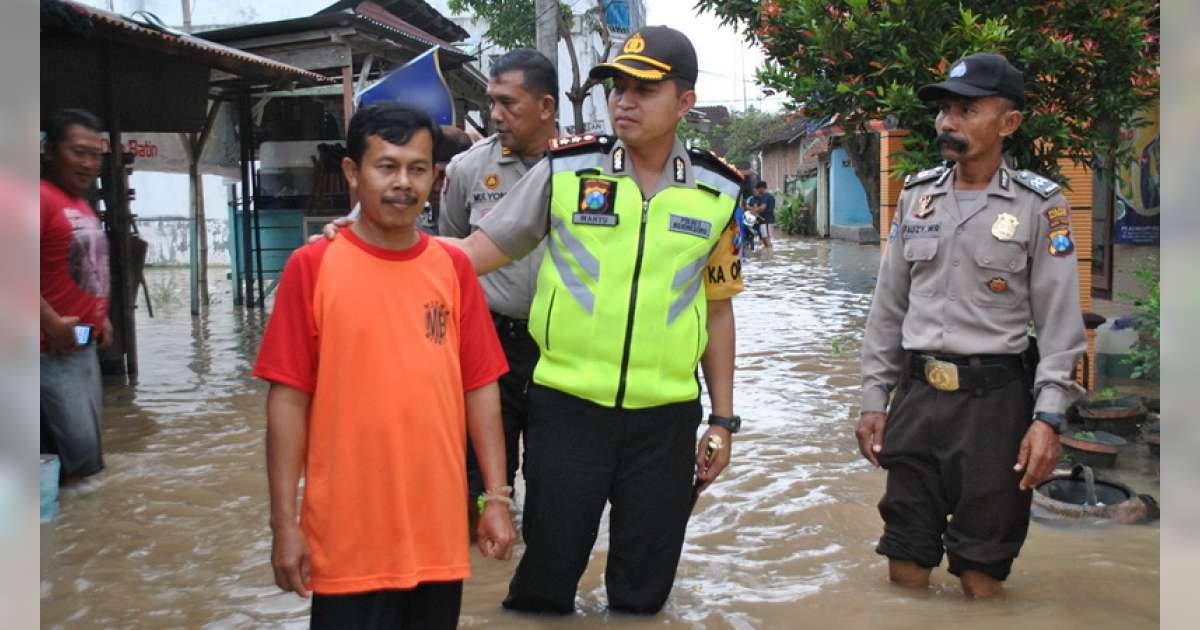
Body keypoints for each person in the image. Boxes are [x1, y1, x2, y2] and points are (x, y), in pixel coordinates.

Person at [447, 26, 746, 615]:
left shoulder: (718, 191)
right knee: (543, 584)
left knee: (643, 594)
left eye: (644, 89)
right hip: (567, 411)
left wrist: (724, 421)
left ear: (684, 102)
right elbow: (477, 251)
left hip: (664, 422)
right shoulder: (568, 170)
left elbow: (717, 307)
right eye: (617, 88)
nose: (624, 101)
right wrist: (381, 245)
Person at [254, 103, 517, 629]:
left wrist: (497, 498)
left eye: (417, 168)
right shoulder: (313, 266)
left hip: (437, 530)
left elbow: (480, 386)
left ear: (436, 178)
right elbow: (287, 401)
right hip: (346, 536)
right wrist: (285, 524)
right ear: (353, 173)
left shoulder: (452, 268)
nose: (403, 183)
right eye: (386, 166)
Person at [856, 53, 1087, 598]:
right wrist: (873, 399)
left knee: (982, 572)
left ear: (1008, 123)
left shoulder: (1040, 207)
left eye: (966, 109)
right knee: (905, 560)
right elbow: (887, 309)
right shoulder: (917, 197)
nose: (947, 122)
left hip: (995, 409)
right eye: (944, 110)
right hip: (916, 400)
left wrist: (1048, 419)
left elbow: (1059, 324)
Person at [439, 48, 559, 528]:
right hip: (489, 343)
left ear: (547, 106)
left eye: (508, 103)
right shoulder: (467, 170)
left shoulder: (585, 170)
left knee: (556, 478)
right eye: (492, 102)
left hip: (562, 349)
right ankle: (486, 583)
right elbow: (447, 254)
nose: (495, 114)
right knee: (483, 483)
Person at [40, 108, 112, 481]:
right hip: (45, 348)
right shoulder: (37, 197)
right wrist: (50, 323)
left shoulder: (81, 204)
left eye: (95, 154)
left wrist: (103, 319)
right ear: (50, 151)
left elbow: (88, 268)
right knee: (78, 459)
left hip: (82, 341)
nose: (88, 163)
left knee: (89, 450)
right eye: (78, 152)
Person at [746, 180, 776, 247]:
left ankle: (770, 255)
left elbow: (762, 208)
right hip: (764, 221)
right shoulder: (767, 196)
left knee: (767, 240)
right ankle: (768, 255)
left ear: (762, 188)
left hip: (767, 220)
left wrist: (753, 211)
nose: (758, 191)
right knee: (765, 240)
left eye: (758, 189)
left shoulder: (766, 196)